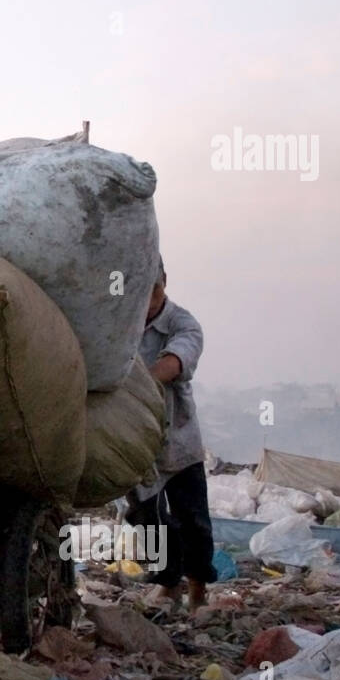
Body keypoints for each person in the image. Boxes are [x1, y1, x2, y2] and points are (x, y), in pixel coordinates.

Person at [126, 260, 215, 610]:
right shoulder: (121, 321)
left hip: (178, 442)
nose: (148, 299)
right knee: (147, 519)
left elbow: (174, 363)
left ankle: (197, 588)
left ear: (165, 282)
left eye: (155, 289)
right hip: (136, 444)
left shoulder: (183, 323)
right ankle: (168, 582)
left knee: (193, 519)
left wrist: (133, 383)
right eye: (141, 290)